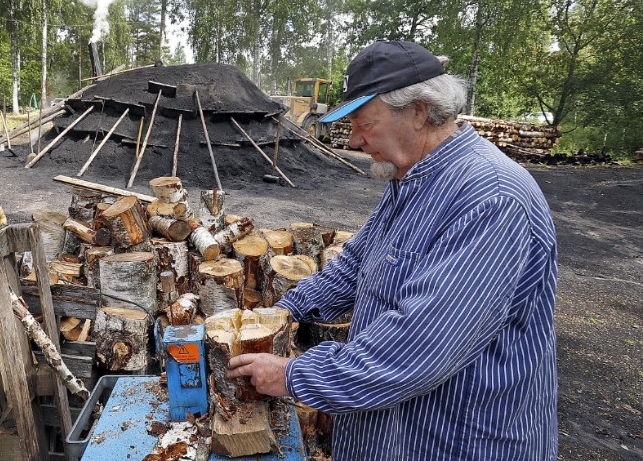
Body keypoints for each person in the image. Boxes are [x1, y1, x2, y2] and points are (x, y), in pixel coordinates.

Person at [228, 40, 558, 459]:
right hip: (392, 436)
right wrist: (286, 311)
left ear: (419, 111)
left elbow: (421, 346)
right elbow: (355, 265)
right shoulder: (412, 177)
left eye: (365, 123)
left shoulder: (489, 197)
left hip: (457, 441)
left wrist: (294, 376)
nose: (355, 142)